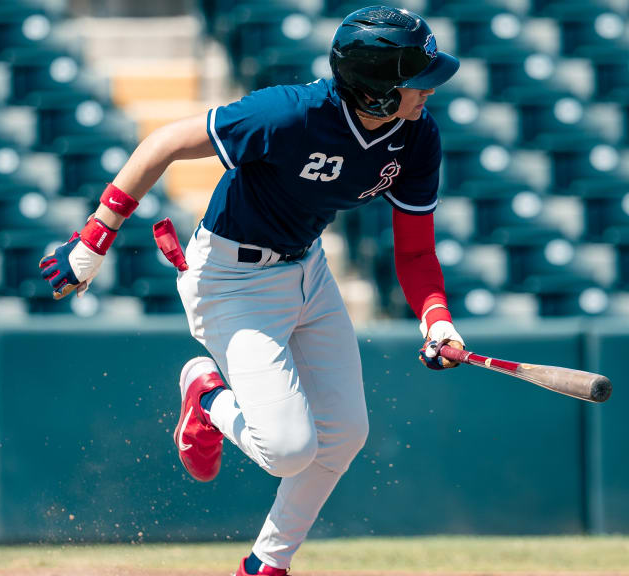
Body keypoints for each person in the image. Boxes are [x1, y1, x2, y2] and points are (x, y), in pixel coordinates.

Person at [38, 6, 466, 575]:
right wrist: (94, 237)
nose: (429, 94)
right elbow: (164, 142)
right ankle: (206, 396)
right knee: (288, 450)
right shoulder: (289, 114)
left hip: (306, 269)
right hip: (229, 280)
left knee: (344, 435)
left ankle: (266, 565)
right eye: (417, 84)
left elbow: (414, 252)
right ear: (378, 90)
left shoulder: (417, 137)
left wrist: (436, 320)